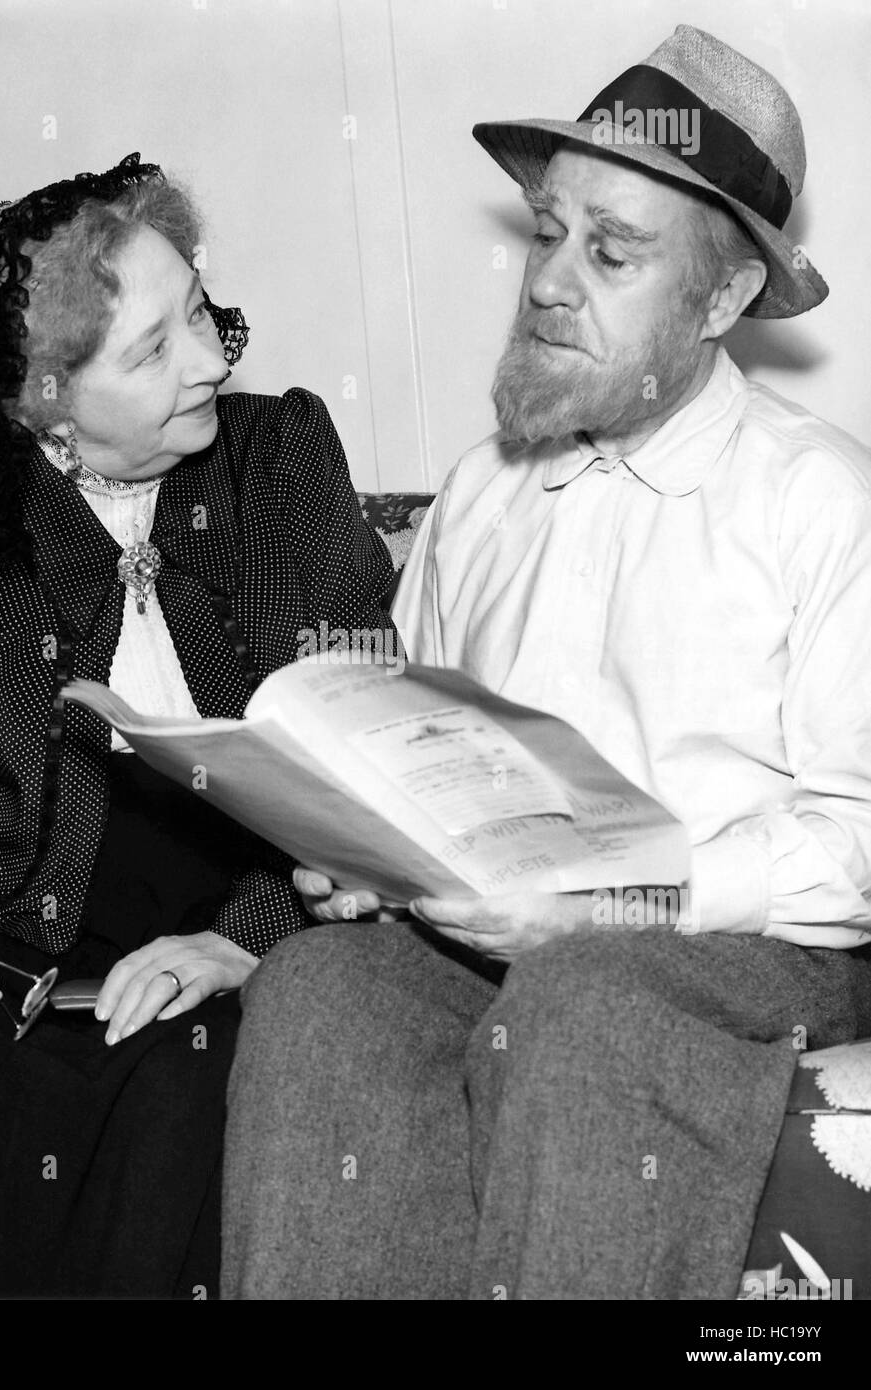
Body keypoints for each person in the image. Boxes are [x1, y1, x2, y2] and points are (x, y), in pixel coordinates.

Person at [221, 26, 871, 1300]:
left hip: (743, 948)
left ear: (723, 301)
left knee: (578, 1002)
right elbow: (416, 746)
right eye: (545, 232)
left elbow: (856, 848)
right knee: (314, 995)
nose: (550, 282)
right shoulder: (483, 491)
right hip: (502, 940)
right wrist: (365, 851)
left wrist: (606, 911)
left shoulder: (823, 502)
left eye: (612, 252)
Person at [0, 152, 395, 1299]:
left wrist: (249, 935)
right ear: (49, 405)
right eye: (152, 350)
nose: (211, 357)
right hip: (0, 959)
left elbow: (363, 758)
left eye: (197, 309)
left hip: (222, 943)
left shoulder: (281, 458)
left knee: (205, 1072)